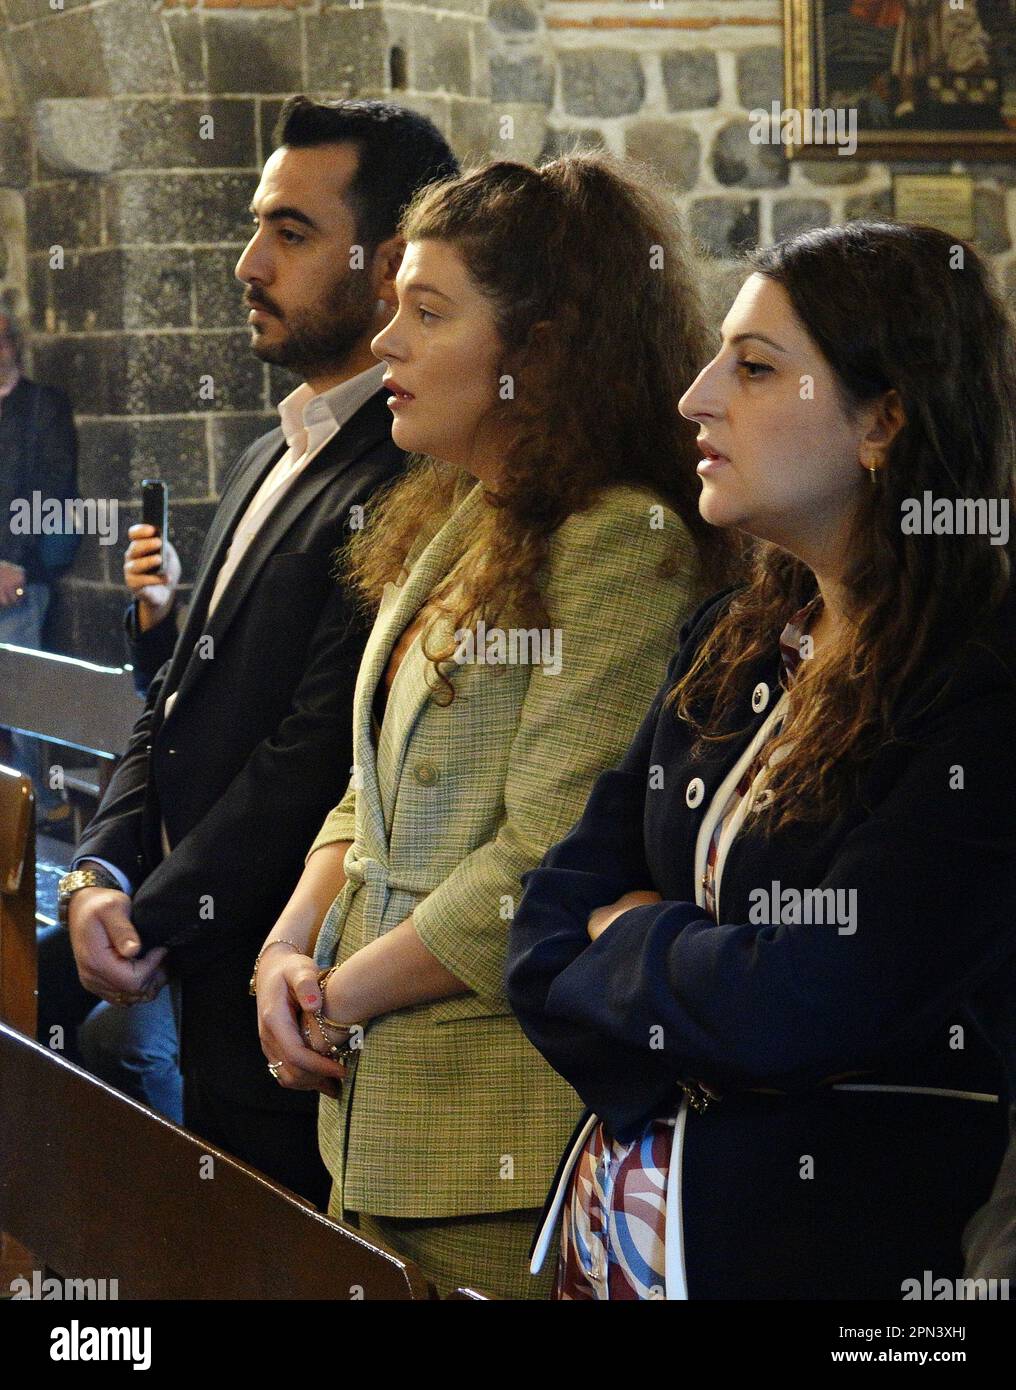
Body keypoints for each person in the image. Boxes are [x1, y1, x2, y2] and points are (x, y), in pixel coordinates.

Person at [253, 151, 738, 1299]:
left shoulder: (621, 541)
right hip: (374, 1106)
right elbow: (366, 787)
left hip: (492, 1139)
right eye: (392, 309)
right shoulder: (469, 511)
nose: (386, 345)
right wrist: (285, 942)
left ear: (537, 348)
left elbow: (538, 859)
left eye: (428, 313)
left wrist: (334, 994)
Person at [507, 220, 1016, 1299]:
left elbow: (809, 998)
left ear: (883, 419)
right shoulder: (736, 637)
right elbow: (544, 917)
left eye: (750, 368)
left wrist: (633, 932)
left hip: (835, 1257)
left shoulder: (977, 683)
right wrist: (697, 964)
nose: (694, 397)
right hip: (631, 1236)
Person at [50, 98, 458, 1204]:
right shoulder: (269, 451)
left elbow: (311, 751)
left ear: (385, 269)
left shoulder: (409, 477)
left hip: (295, 978)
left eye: (289, 232)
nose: (246, 261)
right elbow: (174, 700)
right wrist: (96, 872)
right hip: (201, 948)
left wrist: (148, 915)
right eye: (253, 226)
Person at [0, 310, 79, 823]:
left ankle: (39, 804)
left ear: (13, 347)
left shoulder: (43, 407)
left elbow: (49, 490)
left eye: (1, 341)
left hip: (18, 575)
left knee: (21, 691)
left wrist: (11, 562)